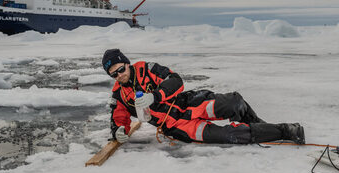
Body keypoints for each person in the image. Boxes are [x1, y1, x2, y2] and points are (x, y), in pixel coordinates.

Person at [102, 48, 305, 145]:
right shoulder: (119, 95)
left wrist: (155, 96)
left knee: (234, 103)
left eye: (120, 69)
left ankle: (261, 127)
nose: (119, 75)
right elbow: (118, 119)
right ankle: (285, 131)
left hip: (189, 103)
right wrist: (118, 131)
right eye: (114, 74)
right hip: (177, 126)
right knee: (230, 135)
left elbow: (175, 80)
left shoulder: (148, 69)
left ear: (127, 63)